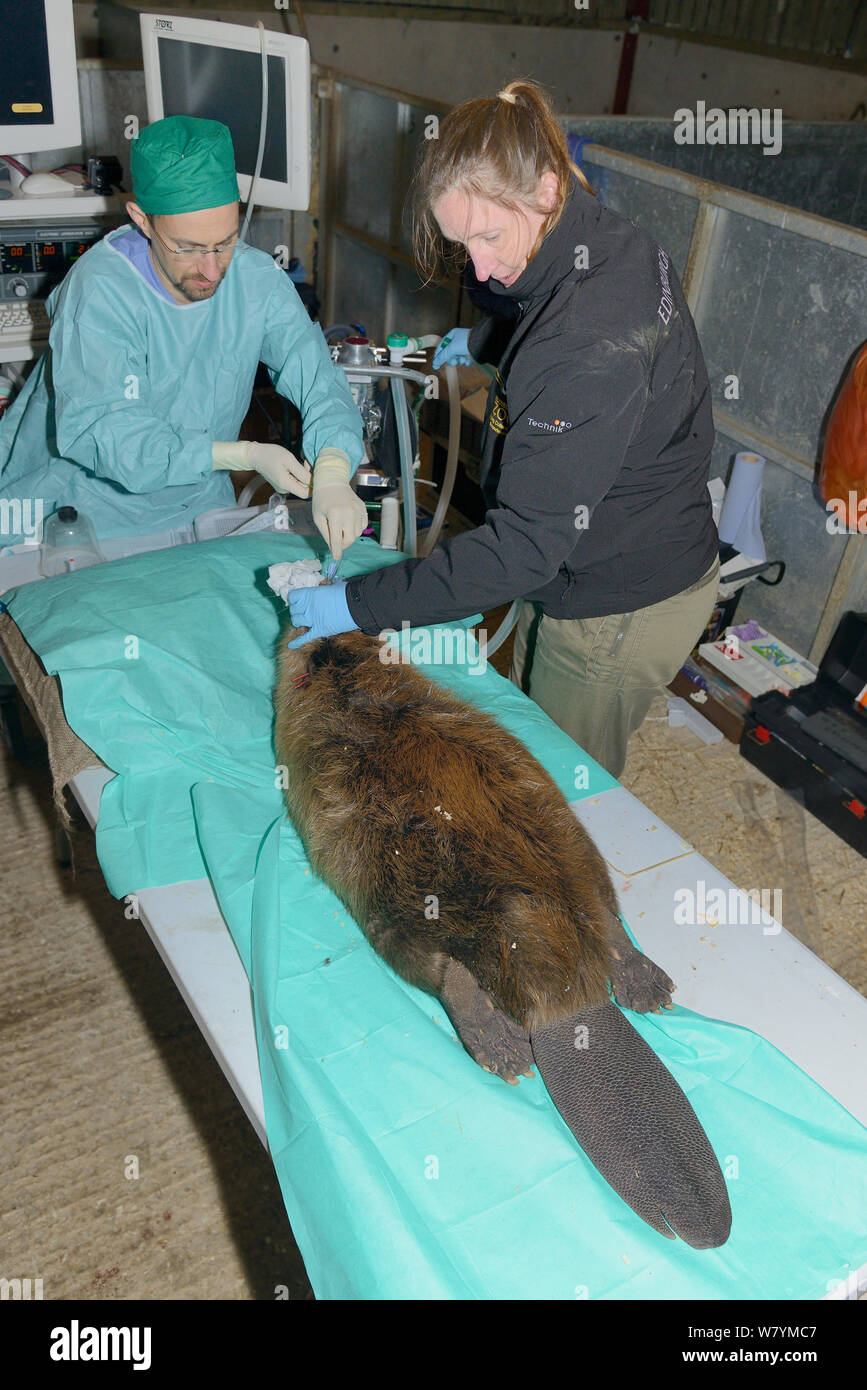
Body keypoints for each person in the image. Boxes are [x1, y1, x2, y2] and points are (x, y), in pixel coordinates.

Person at [290, 80, 719, 780]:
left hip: (621, 597)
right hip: (595, 553)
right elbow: (534, 297)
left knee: (558, 787)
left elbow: (521, 550)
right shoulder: (590, 233)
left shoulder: (585, 341)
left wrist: (357, 605)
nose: (481, 266)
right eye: (463, 244)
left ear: (545, 190)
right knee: (532, 728)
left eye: (488, 237)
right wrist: (490, 340)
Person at [0, 116, 366, 559]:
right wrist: (244, 455)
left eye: (225, 242)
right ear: (142, 220)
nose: (212, 270)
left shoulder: (255, 280)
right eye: (188, 248)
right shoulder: (99, 292)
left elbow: (317, 379)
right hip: (83, 510)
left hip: (197, 505)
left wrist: (331, 466)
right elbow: (112, 435)